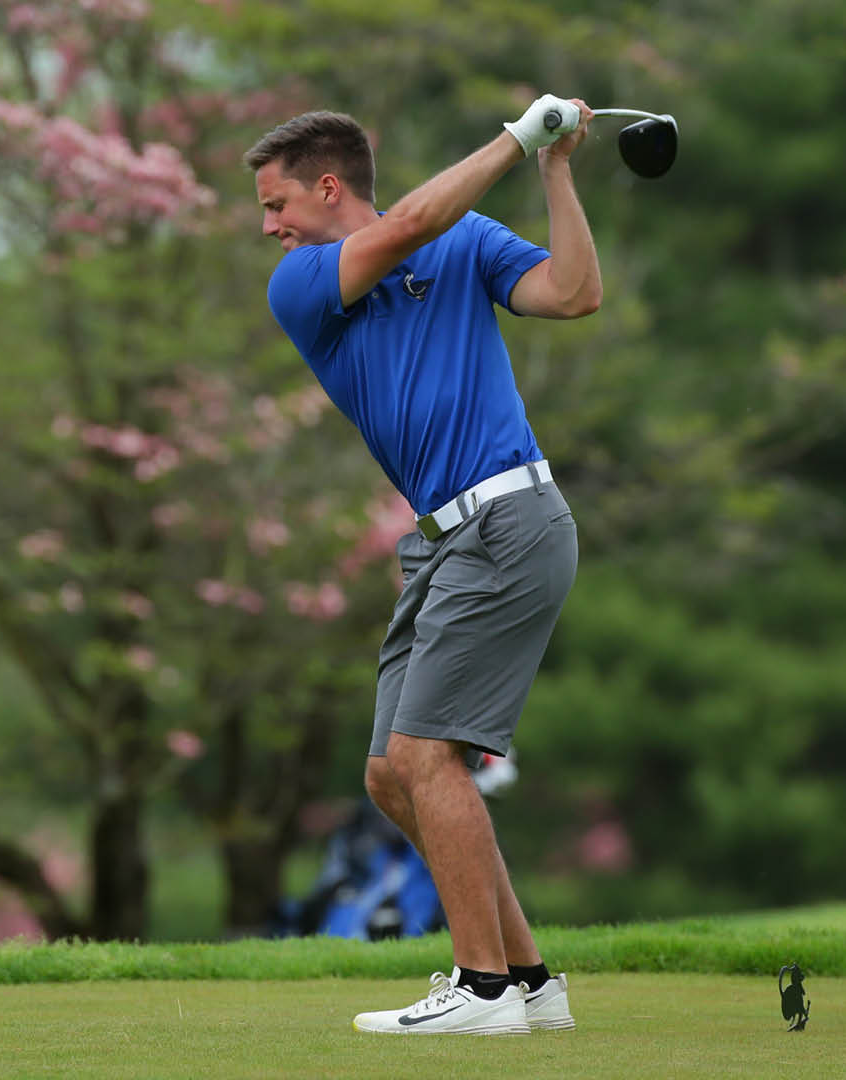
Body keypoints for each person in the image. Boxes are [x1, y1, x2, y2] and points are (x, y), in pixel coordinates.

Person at [245, 93, 599, 1035]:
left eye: (277, 205)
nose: (269, 227)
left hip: (511, 519)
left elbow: (572, 294)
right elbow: (407, 224)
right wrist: (517, 139)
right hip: (442, 543)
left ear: (328, 187)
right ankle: (527, 980)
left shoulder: (468, 238)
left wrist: (552, 169)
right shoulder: (305, 283)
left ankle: (480, 989)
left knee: (424, 755)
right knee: (390, 776)